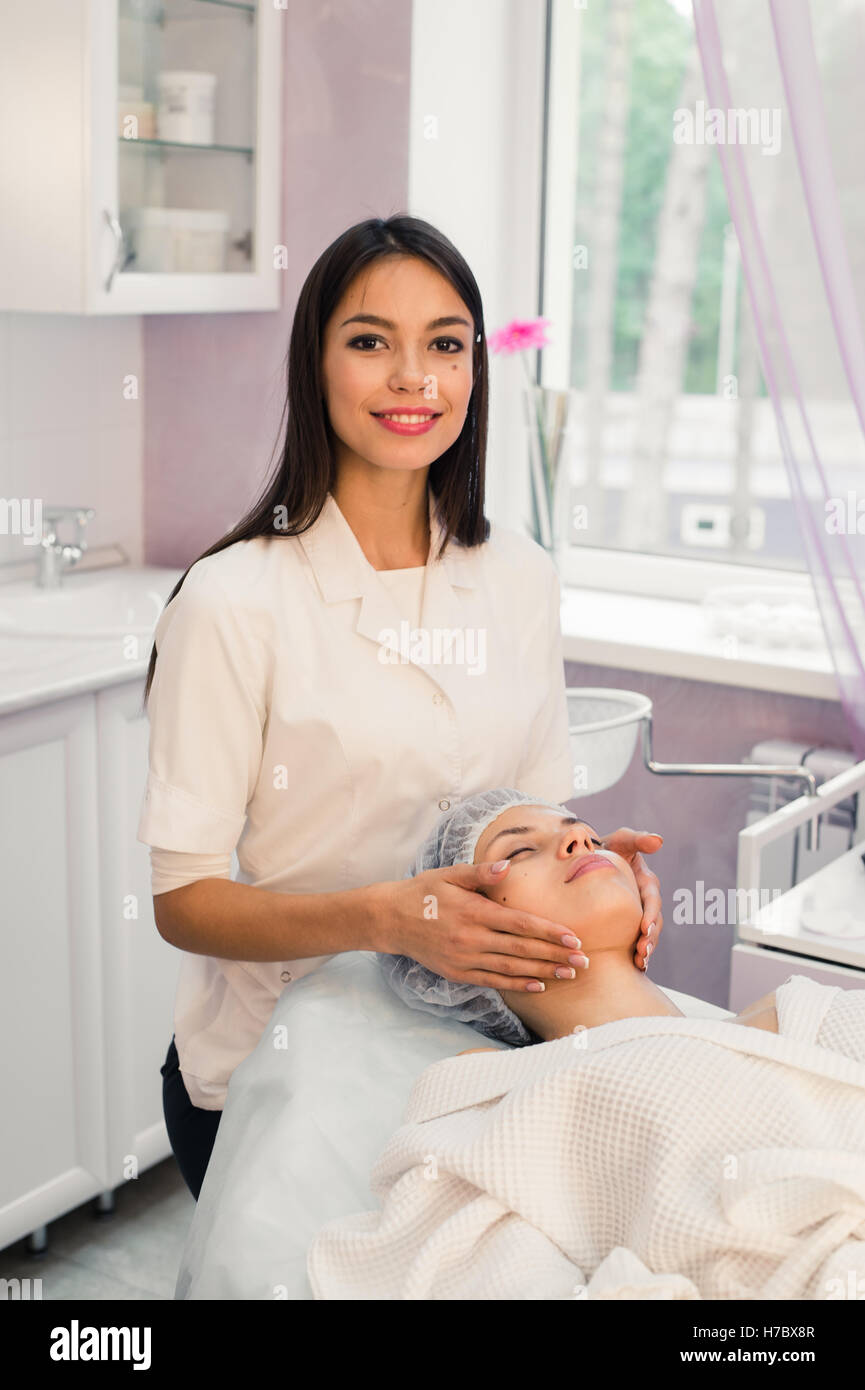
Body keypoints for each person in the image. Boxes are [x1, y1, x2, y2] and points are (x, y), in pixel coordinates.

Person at [138, 215, 666, 1202]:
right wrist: (390, 918)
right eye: (371, 340)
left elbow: (536, 817)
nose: (413, 376)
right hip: (279, 1070)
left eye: (446, 344)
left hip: (470, 1057)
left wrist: (601, 875)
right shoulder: (233, 600)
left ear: (474, 370)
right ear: (316, 364)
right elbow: (184, 903)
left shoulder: (518, 577)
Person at [379, 788, 780, 1050]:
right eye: (519, 851)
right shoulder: (491, 1096)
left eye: (593, 837)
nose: (582, 841)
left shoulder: (796, 1016)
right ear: (457, 944)